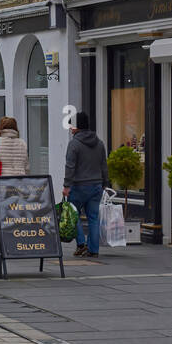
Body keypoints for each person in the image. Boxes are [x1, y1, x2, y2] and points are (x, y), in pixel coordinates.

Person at [63, 111, 110, 258]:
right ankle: (93, 250)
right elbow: (104, 165)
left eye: (71, 125)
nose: (70, 128)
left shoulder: (74, 144)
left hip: (78, 186)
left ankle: (81, 244)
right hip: (96, 186)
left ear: (77, 127)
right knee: (93, 218)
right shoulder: (100, 143)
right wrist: (105, 183)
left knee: (73, 215)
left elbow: (70, 166)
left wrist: (66, 186)